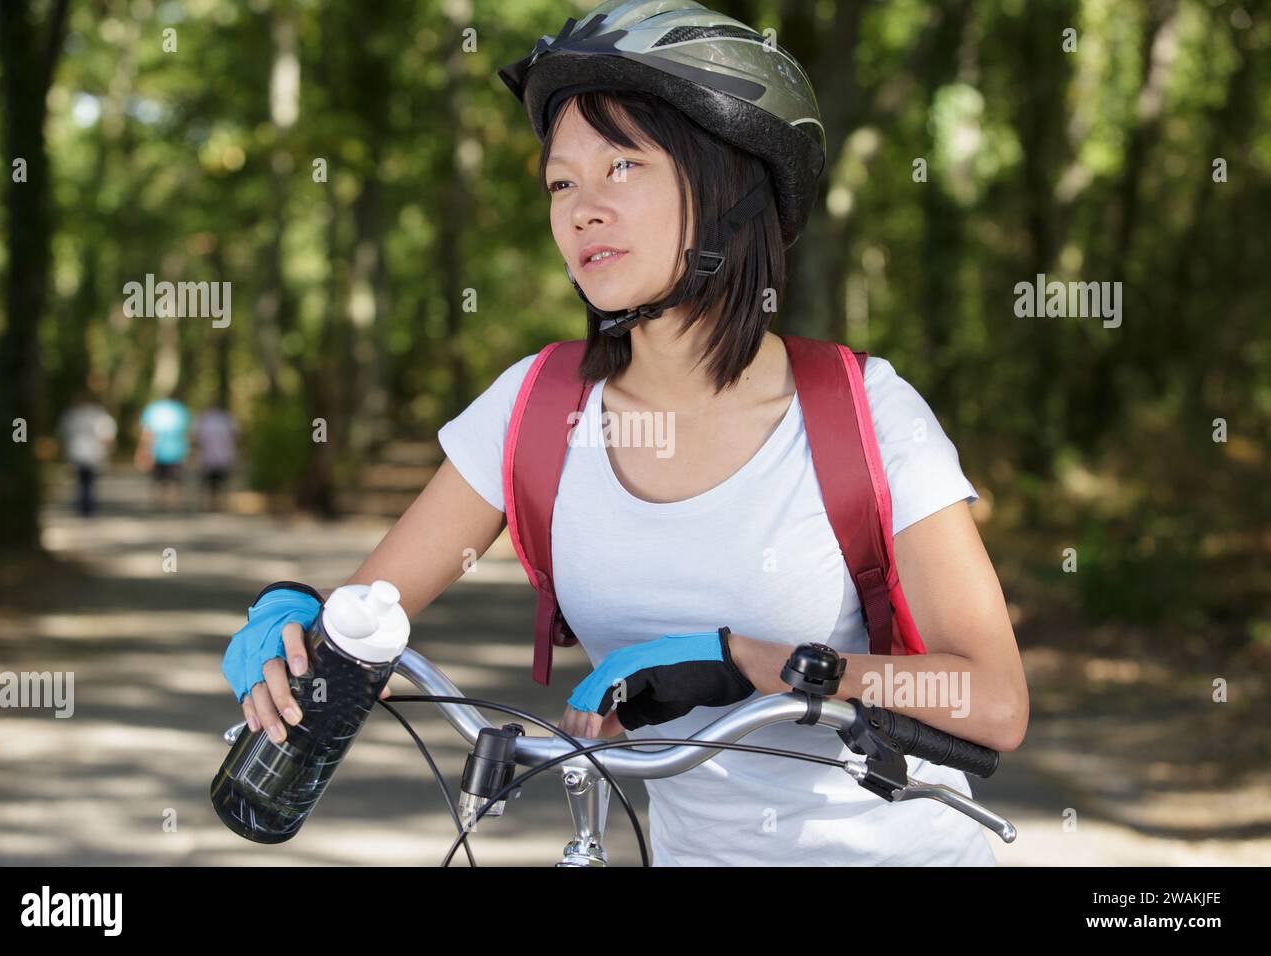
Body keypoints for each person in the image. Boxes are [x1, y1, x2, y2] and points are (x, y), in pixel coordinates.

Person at [220, 0, 1028, 866]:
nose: (581, 209)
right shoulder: (533, 408)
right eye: (562, 182)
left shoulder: (863, 413)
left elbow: (992, 702)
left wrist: (748, 662)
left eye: (620, 166)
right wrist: (293, 623)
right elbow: (366, 614)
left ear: (728, 180)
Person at [57, 392, 117, 517]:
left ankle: (84, 505)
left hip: (79, 453)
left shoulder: (71, 414)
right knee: (88, 481)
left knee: (82, 481)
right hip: (92, 454)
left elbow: (62, 434)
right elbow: (107, 436)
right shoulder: (98, 414)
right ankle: (87, 505)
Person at [136, 392, 192, 509]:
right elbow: (187, 433)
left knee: (157, 479)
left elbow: (147, 432)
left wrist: (143, 449)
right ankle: (172, 504)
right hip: (177, 451)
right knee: (175, 480)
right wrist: (189, 451)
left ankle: (158, 502)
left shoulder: (153, 409)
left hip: (157, 451)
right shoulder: (180, 410)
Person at [192, 407, 239, 511]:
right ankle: (221, 505)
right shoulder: (227, 419)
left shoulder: (204, 420)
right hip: (222, 457)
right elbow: (236, 437)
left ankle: (210, 505)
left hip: (209, 458)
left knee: (209, 483)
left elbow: (196, 438)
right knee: (220, 483)